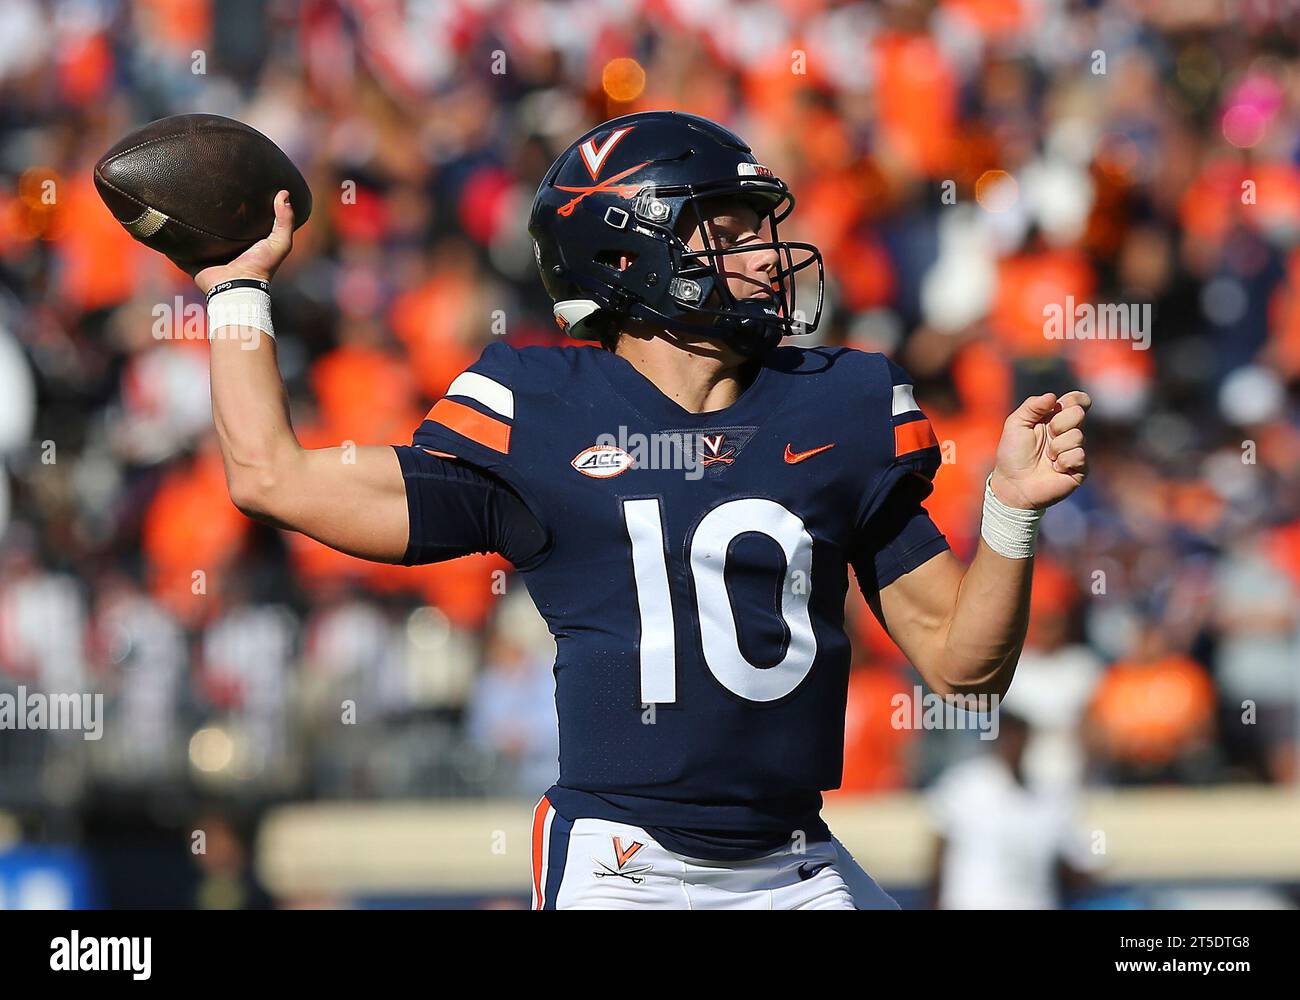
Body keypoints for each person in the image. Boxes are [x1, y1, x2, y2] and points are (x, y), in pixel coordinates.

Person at [193, 111, 1091, 909]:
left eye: (757, 231)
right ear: (630, 255)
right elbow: (270, 477)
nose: (763, 256)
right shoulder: (540, 408)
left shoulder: (837, 405)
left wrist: (1010, 511)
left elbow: (966, 672)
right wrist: (235, 289)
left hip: (793, 864)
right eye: (727, 233)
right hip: (624, 866)